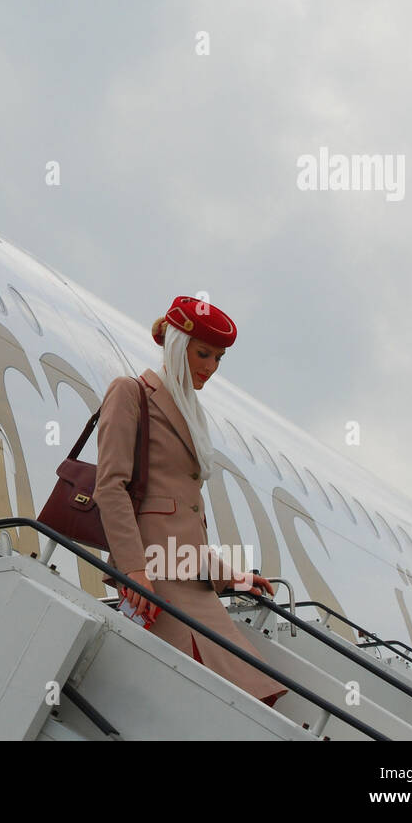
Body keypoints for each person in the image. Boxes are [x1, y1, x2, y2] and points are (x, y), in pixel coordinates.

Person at [95, 295, 286, 706]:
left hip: (188, 575)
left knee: (255, 693)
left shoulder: (190, 412)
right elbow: (111, 486)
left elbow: (183, 517)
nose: (211, 367)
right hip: (157, 579)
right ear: (178, 346)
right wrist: (133, 571)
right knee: (232, 694)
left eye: (219, 359)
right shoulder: (132, 393)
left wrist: (231, 576)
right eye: (203, 353)